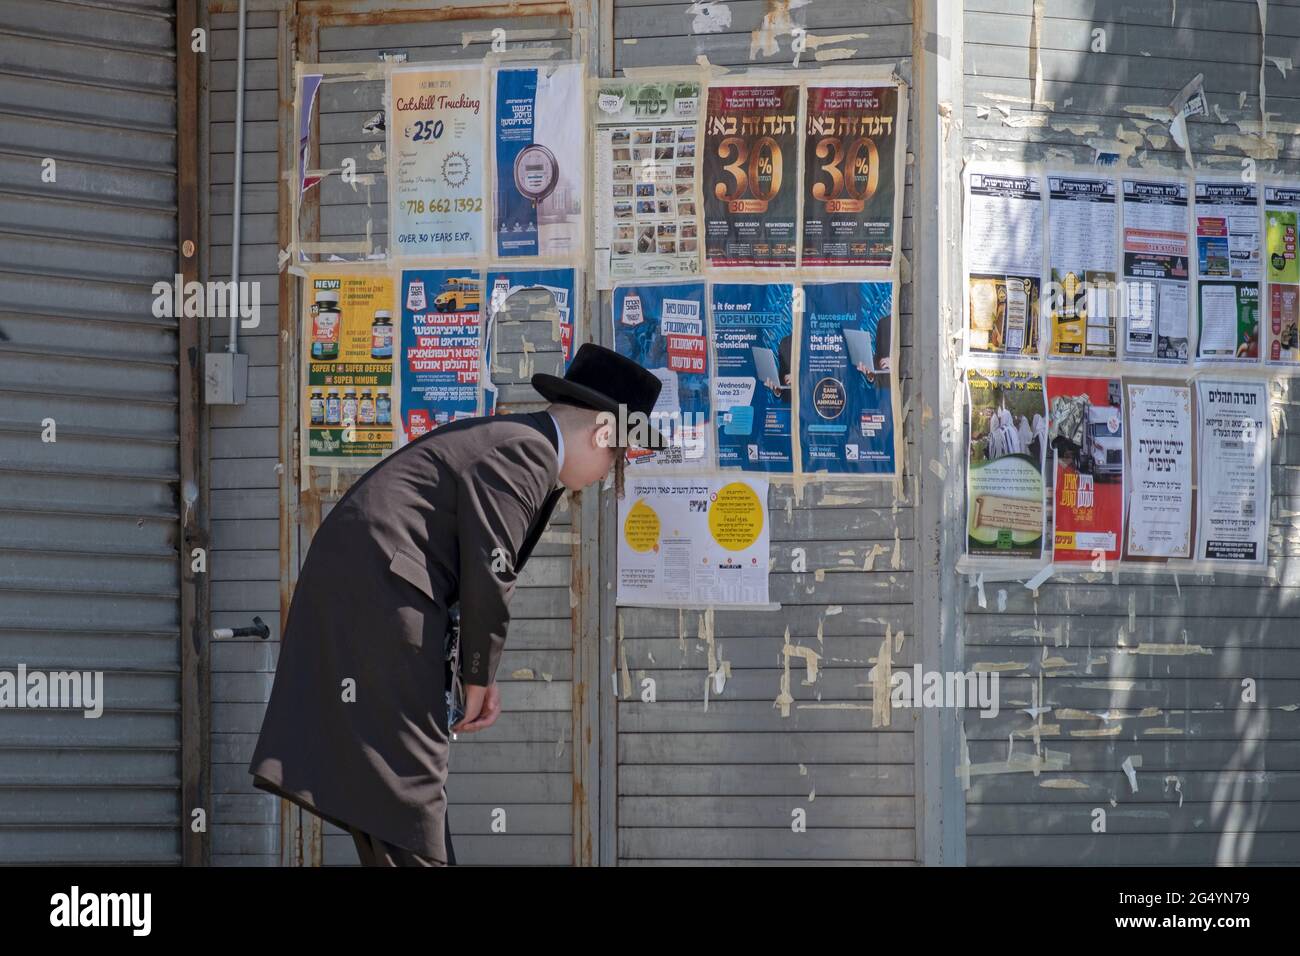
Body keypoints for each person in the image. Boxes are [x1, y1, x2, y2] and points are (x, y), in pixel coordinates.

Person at [247, 343, 663, 866]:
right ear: (603, 431)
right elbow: (491, 571)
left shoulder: (519, 444)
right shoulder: (528, 451)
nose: (610, 473)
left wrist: (475, 669)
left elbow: (473, 566)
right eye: (617, 456)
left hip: (375, 598)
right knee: (409, 781)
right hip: (380, 600)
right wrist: (478, 675)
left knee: (393, 787)